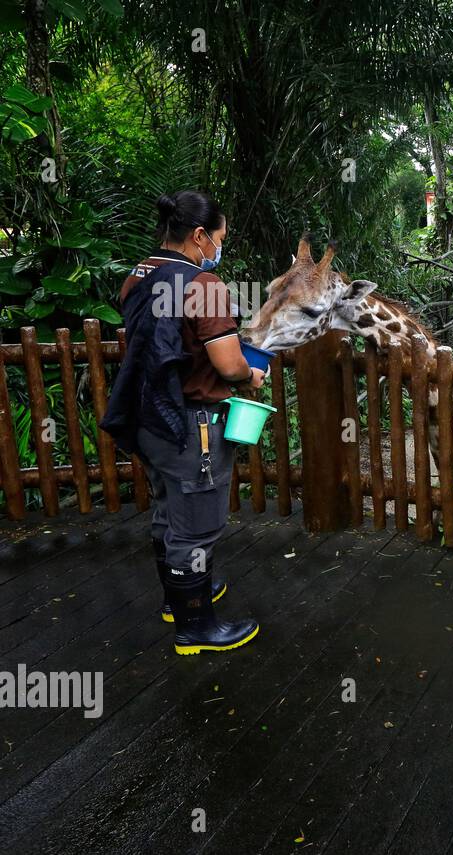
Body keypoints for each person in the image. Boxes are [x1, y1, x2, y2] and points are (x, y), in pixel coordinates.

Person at [102, 190, 264, 655]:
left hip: (150, 415)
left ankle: (180, 599)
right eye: (219, 238)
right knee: (196, 526)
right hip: (192, 423)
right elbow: (229, 364)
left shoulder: (140, 275)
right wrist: (251, 374)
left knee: (169, 513)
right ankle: (196, 627)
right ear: (199, 236)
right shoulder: (203, 286)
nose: (219, 246)